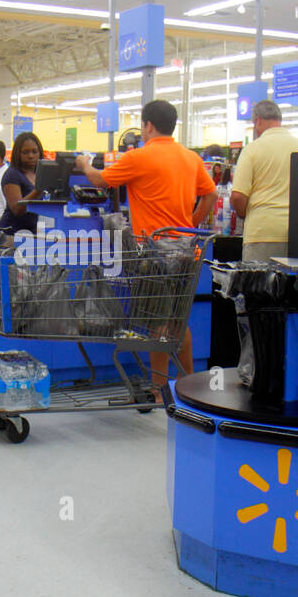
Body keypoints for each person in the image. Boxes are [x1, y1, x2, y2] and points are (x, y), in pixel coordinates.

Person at [77, 99, 217, 389]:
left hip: (154, 253)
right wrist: (190, 225)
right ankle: (187, 387)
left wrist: (83, 164)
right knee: (178, 320)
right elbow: (211, 195)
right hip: (185, 251)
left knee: (157, 323)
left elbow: (99, 181)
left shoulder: (138, 157)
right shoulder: (191, 158)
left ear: (148, 125)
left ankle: (158, 391)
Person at [230, 99, 298, 261]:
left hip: (262, 231)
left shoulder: (252, 149)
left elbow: (238, 196)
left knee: (258, 284)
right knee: (294, 286)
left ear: (258, 121)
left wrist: (245, 214)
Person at [0, 132, 44, 235]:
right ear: (18, 153)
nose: (31, 156)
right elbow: (17, 209)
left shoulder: (39, 174)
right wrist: (39, 189)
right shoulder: (12, 174)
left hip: (31, 234)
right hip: (10, 234)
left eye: (34, 151)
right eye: (25, 152)